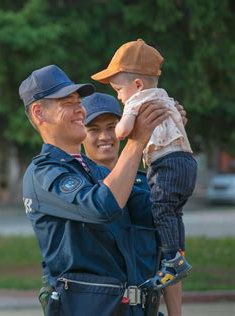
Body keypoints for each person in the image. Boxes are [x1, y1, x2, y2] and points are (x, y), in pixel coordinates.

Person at [20, 64, 169, 315]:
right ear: (39, 113)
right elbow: (102, 206)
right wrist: (136, 142)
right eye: (67, 102)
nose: (80, 109)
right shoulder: (43, 174)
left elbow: (157, 211)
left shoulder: (95, 171)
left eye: (79, 100)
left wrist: (168, 145)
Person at [91, 39, 197, 292]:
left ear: (137, 85)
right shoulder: (165, 98)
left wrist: (126, 129)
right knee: (172, 213)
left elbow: (124, 130)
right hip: (186, 162)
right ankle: (177, 253)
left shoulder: (136, 102)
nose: (118, 95)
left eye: (118, 89)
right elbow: (177, 124)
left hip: (165, 163)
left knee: (162, 209)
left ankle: (173, 260)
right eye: (94, 129)